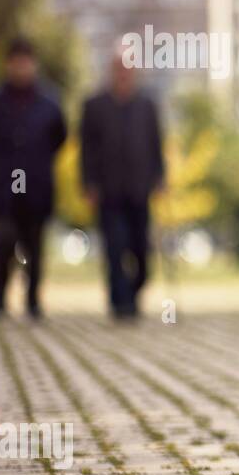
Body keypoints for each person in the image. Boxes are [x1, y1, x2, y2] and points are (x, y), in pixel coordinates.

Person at [0, 37, 68, 319]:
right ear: (8, 65)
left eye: (26, 62)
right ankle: (0, 296)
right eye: (16, 62)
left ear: (33, 64)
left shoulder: (50, 103)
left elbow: (59, 138)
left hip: (36, 186)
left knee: (34, 246)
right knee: (3, 241)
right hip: (4, 186)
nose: (21, 67)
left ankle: (33, 299)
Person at [80, 52, 165, 319]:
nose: (123, 74)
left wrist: (160, 176)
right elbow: (86, 149)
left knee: (141, 251)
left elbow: (156, 144)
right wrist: (88, 182)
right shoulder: (94, 106)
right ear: (111, 71)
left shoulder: (147, 105)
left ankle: (132, 291)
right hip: (108, 192)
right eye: (119, 68)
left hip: (140, 190)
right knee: (115, 248)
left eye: (128, 69)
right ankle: (121, 303)